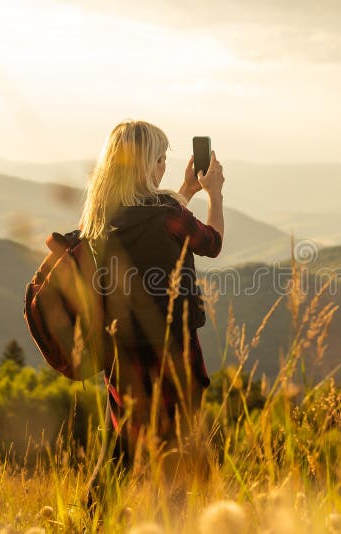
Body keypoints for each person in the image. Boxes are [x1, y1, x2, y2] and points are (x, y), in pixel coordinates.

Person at [78, 120, 225, 488]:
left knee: (122, 446)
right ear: (147, 166)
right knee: (178, 445)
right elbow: (212, 242)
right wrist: (215, 194)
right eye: (160, 159)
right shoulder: (167, 216)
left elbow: (149, 221)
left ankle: (92, 524)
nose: (163, 166)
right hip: (172, 352)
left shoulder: (99, 218)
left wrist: (186, 192)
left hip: (121, 354)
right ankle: (174, 522)